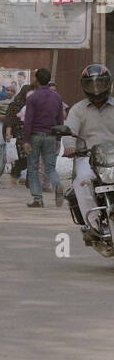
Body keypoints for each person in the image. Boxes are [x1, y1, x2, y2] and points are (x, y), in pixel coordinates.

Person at [64, 65, 114, 241]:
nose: (96, 89)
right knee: (83, 181)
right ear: (84, 86)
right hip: (87, 156)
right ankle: (93, 224)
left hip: (112, 157)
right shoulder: (78, 109)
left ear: (108, 84)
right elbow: (69, 131)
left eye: (100, 84)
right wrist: (70, 147)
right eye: (91, 85)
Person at [22, 68, 65, 208]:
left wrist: (26, 140)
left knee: (33, 167)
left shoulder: (32, 97)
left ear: (36, 79)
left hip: (35, 135)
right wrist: (58, 139)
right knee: (50, 167)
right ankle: (57, 185)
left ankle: (38, 199)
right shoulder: (57, 97)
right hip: (51, 136)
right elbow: (60, 120)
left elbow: (28, 120)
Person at [5, 84, 32, 187]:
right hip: (19, 134)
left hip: (31, 133)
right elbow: (9, 120)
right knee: (23, 158)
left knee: (32, 158)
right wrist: (8, 133)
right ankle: (15, 174)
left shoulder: (33, 104)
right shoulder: (15, 105)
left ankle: (29, 182)